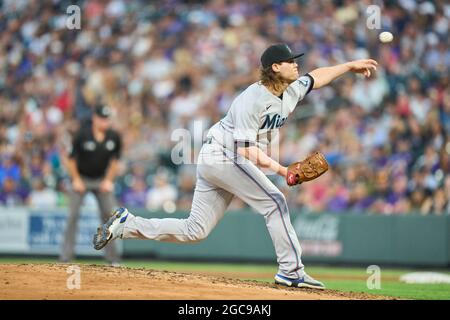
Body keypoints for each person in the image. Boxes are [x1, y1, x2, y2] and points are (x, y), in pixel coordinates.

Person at [93, 44, 377, 288]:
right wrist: (283, 170)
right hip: (224, 155)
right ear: (276, 67)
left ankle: (126, 224)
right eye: (291, 61)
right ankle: (291, 272)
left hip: (219, 158)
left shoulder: (291, 90)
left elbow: (317, 77)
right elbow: (247, 150)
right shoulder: (252, 99)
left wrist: (349, 65)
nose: (296, 64)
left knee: (195, 230)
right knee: (275, 201)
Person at [61, 105, 122, 265]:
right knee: (72, 216)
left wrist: (108, 180)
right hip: (81, 177)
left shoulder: (114, 136)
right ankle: (66, 257)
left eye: (107, 119)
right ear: (95, 118)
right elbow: (71, 159)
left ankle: (113, 259)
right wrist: (76, 179)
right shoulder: (82, 134)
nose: (105, 122)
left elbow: (115, 161)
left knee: (110, 217)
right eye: (102, 118)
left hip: (102, 178)